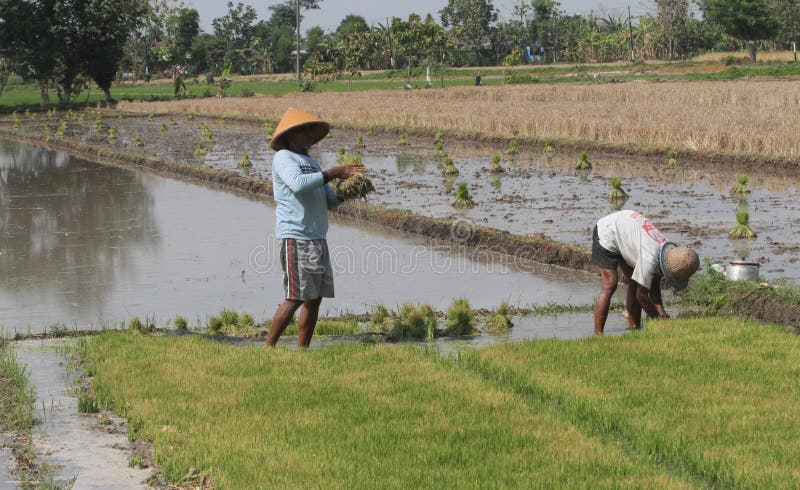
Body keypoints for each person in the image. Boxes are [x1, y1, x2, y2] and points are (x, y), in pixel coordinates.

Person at [265, 108, 364, 347]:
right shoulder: (283, 158)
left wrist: (349, 190)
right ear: (289, 136)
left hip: (318, 237)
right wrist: (333, 173)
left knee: (314, 298)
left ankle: (303, 351)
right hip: (297, 236)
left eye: (310, 132)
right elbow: (298, 185)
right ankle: (267, 349)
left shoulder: (310, 162)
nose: (309, 137)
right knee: (296, 296)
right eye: (303, 132)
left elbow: (328, 201)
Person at [592, 210, 699, 335]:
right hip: (607, 232)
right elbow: (641, 296)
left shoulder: (668, 251)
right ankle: (598, 335)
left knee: (635, 279)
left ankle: (634, 327)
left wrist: (661, 311)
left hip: (625, 231)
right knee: (610, 284)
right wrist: (657, 319)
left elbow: (654, 281)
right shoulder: (651, 256)